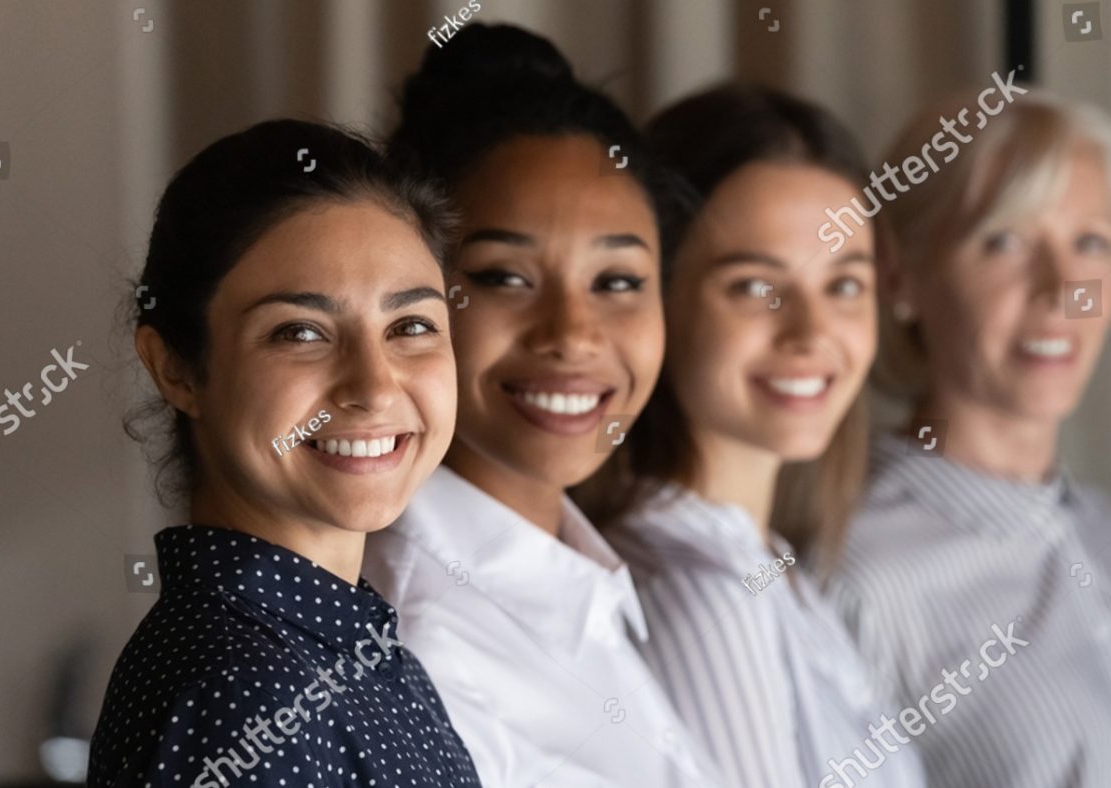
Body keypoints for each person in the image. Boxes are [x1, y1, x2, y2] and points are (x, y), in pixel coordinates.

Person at [361, 24, 719, 788]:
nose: (572, 335)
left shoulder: (584, 584)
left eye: (617, 281)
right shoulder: (425, 647)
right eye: (506, 277)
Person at [817, 93, 1111, 787]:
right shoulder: (853, 570)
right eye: (1005, 241)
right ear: (900, 276)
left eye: (1090, 243)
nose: (1062, 291)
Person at [87, 119, 481, 787]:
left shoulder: (342, 647)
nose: (374, 386)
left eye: (410, 325)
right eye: (301, 332)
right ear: (178, 370)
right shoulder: (247, 694)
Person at [574, 84, 927, 788]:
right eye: (756, 288)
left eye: (845, 285)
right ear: (654, 297)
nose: (812, 333)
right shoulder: (703, 589)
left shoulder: (769, 566)